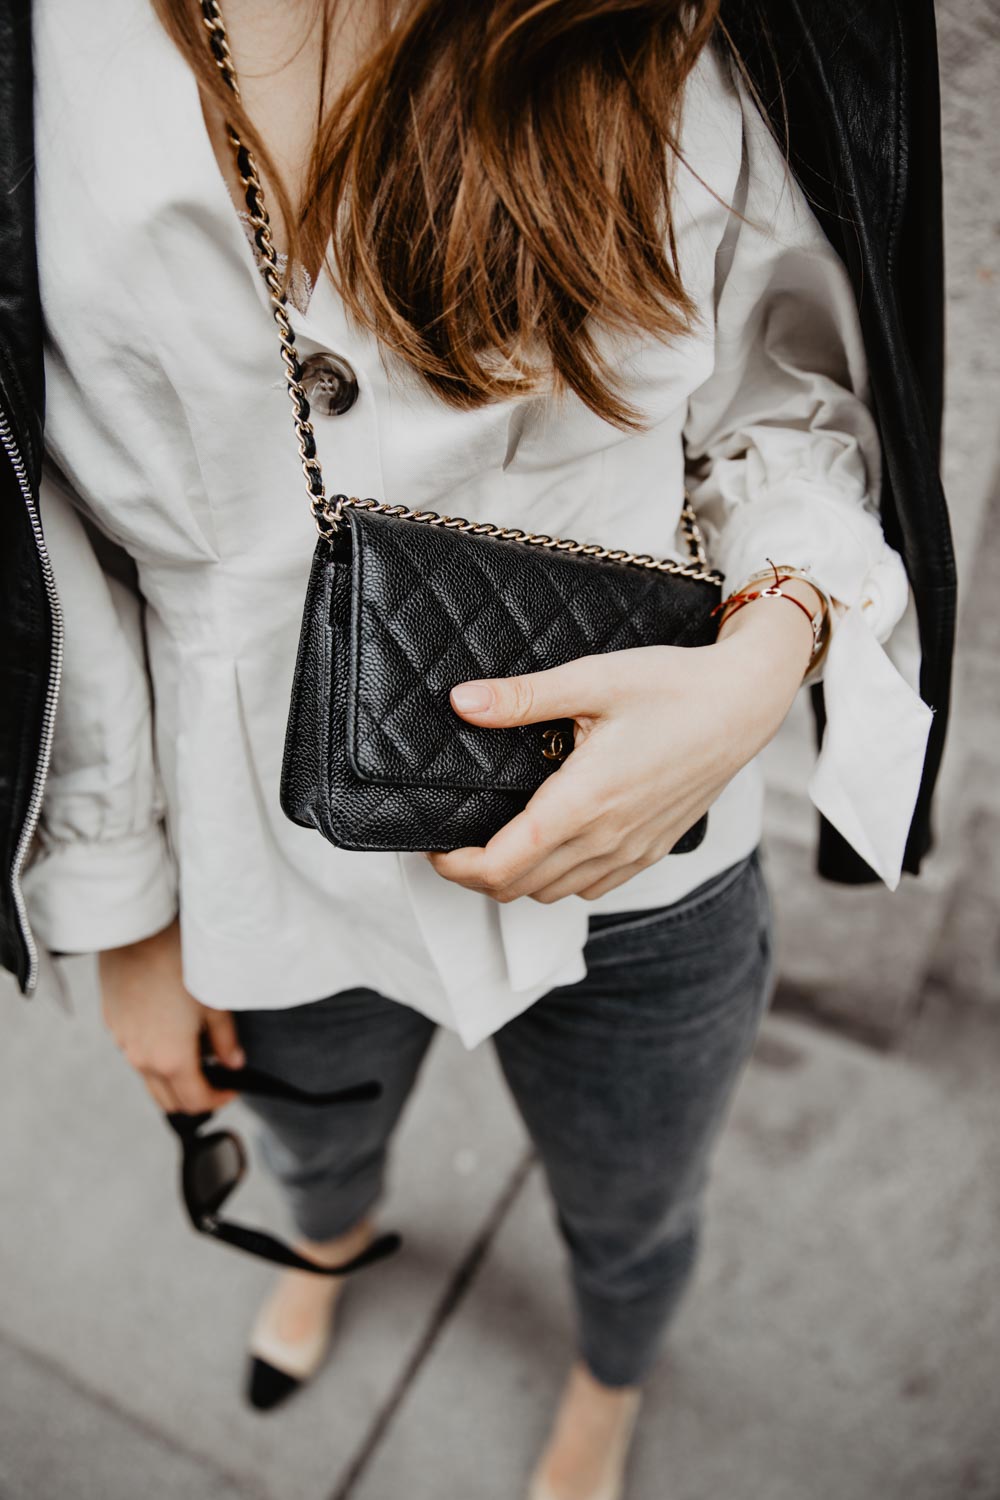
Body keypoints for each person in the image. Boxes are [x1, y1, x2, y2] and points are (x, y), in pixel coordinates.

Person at [0, 2, 951, 1497]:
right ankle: (327, 1244)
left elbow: (790, 393)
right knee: (316, 1145)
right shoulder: (47, 47)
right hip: (253, 830)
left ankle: (609, 1373)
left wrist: (766, 662)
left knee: (634, 1196)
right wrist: (116, 910)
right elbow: (43, 527)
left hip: (645, 829)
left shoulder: (669, 26)